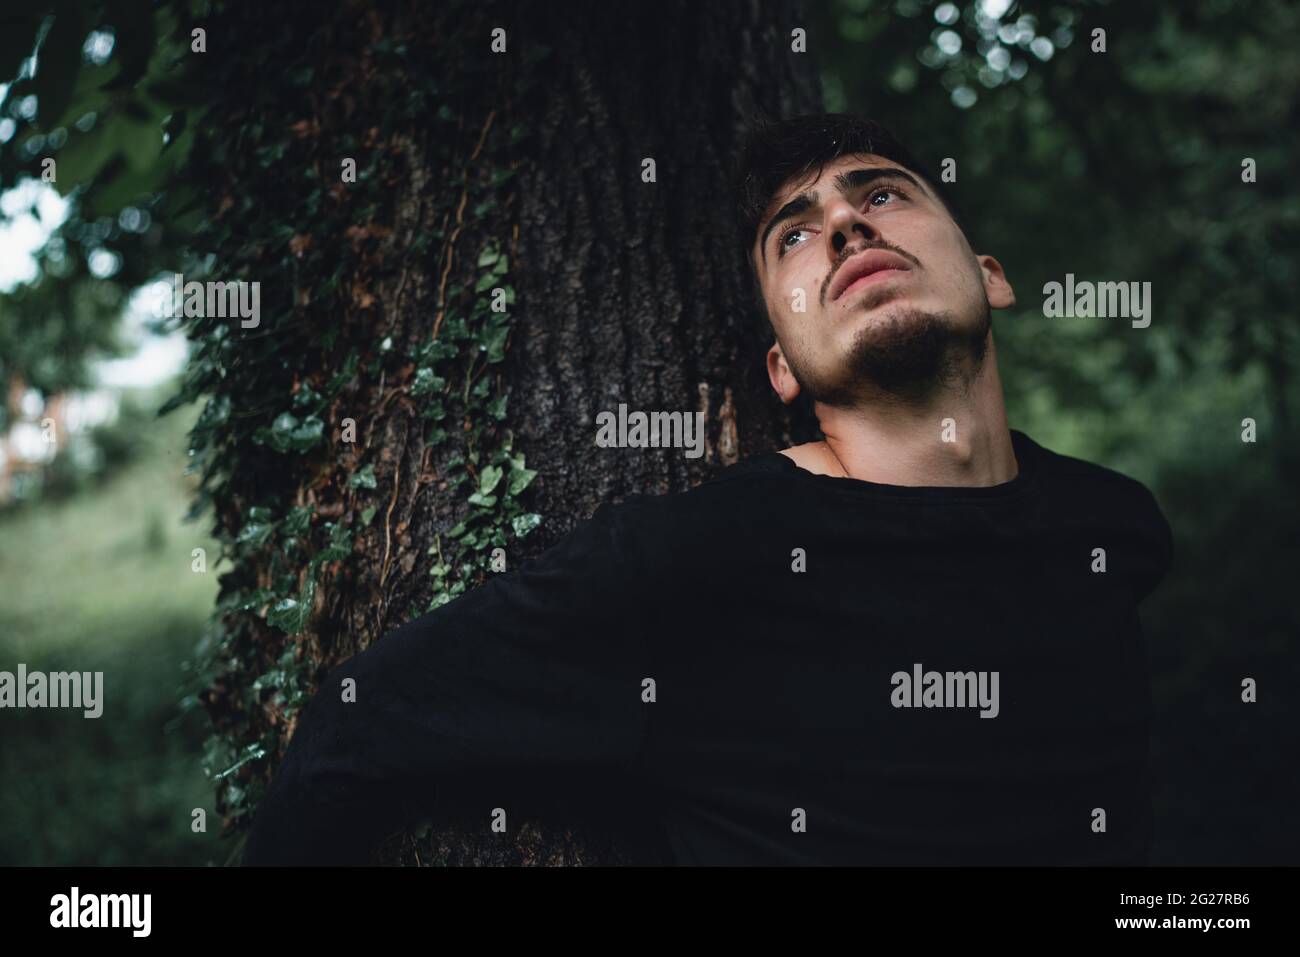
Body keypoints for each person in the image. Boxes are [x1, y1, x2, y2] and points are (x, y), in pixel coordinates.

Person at [243, 113, 1172, 866]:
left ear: (991, 274)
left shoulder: (1113, 529)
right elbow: (354, 725)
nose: (847, 225)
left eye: (882, 192)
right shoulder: (702, 562)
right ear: (782, 370)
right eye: (794, 236)